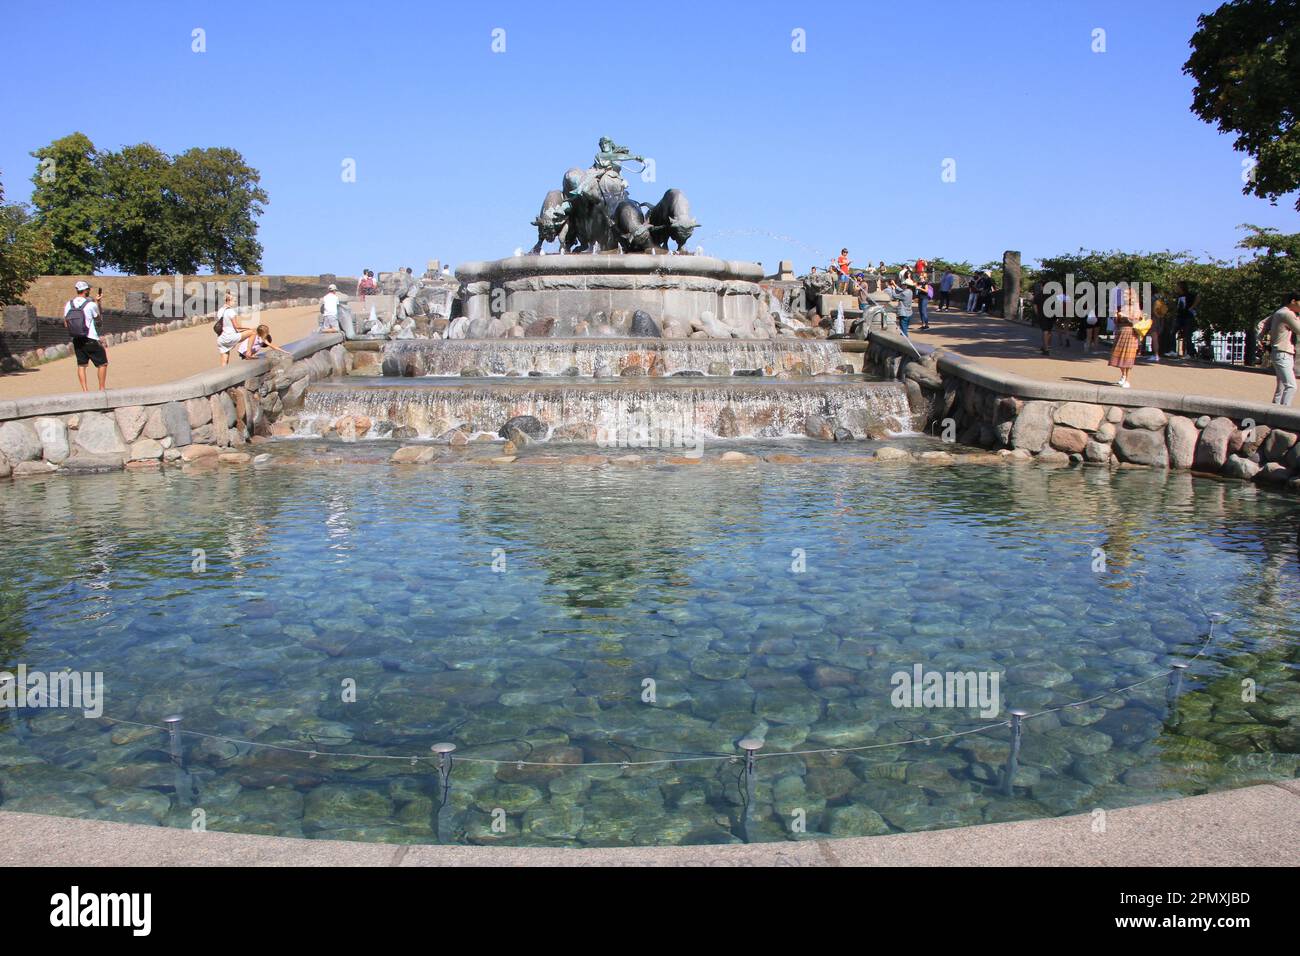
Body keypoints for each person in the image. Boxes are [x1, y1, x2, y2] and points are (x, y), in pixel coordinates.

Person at [63, 280, 108, 391]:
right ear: (86, 290)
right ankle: (102, 389)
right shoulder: (91, 304)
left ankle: (85, 391)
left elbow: (65, 323)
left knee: (81, 365)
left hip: (76, 338)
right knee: (102, 363)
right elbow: (99, 320)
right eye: (89, 289)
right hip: (90, 337)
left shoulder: (69, 304)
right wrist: (99, 302)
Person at [1259, 292, 1300, 405]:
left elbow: (1263, 323)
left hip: (1283, 353)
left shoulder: (1280, 312)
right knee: (1291, 386)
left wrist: (1260, 337)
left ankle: (1274, 412)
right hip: (1283, 353)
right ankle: (1284, 415)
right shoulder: (1287, 314)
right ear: (1293, 301)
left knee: (1281, 389)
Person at [1108, 286, 1145, 388]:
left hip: (1132, 333)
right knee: (1119, 355)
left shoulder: (1137, 307)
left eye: (1126, 294)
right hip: (1121, 332)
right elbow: (1115, 320)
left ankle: (1127, 379)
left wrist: (1128, 318)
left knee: (1129, 357)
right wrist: (1117, 316)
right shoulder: (1121, 307)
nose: (1124, 296)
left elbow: (1139, 320)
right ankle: (1123, 375)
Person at [1174, 282, 1198, 359]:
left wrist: (1192, 307)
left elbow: (1199, 297)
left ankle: (1190, 353)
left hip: (1188, 317)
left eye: (1177, 286)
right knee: (1172, 331)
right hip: (1180, 317)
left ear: (1181, 287)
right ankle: (1172, 351)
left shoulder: (1189, 295)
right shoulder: (1178, 296)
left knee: (1187, 335)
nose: (1176, 288)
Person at [1032, 281, 1053, 355]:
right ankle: (1047, 346)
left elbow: (1035, 307)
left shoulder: (1038, 296)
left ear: (1042, 287)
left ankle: (1046, 349)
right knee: (1049, 331)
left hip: (1042, 315)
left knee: (1045, 331)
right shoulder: (1052, 295)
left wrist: (1038, 315)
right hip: (1051, 315)